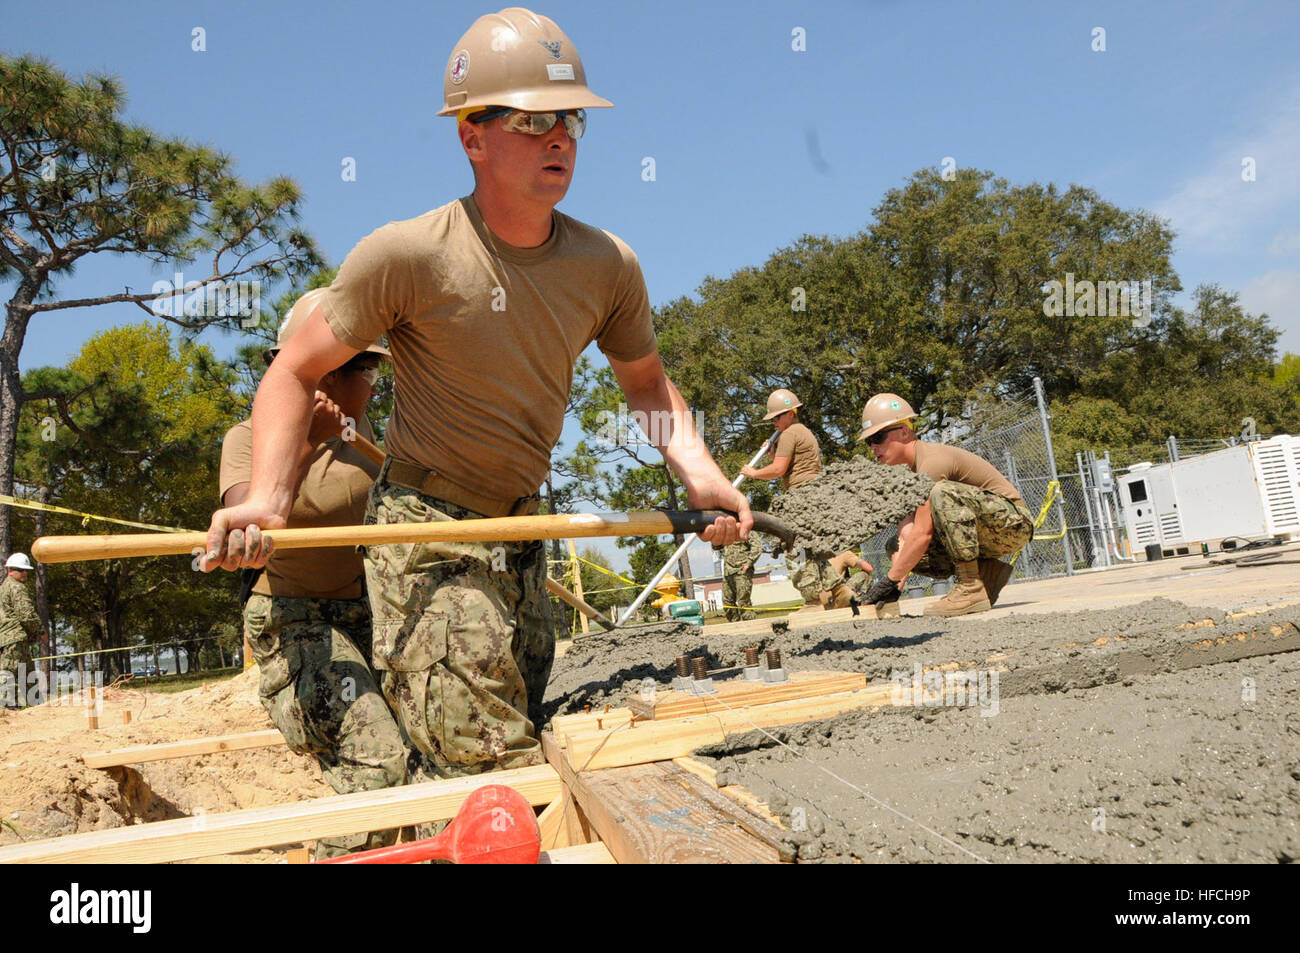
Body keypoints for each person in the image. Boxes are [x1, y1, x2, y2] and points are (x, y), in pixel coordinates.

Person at [203, 8, 750, 784]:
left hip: (523, 531)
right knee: (497, 762)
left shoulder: (607, 265)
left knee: (502, 730)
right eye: (532, 120)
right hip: (427, 538)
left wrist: (702, 475)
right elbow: (293, 367)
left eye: (569, 119)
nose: (559, 135)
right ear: (472, 134)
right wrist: (265, 499)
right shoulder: (409, 255)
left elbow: (646, 381)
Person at [218, 289, 408, 858]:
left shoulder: (371, 440)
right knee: (378, 755)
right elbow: (249, 530)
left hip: (368, 615)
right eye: (367, 371)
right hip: (294, 619)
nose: (374, 385)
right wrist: (306, 444)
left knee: (430, 739)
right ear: (322, 374)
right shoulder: (250, 439)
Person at [857, 393, 1033, 617]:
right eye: (869, 441)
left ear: (904, 431)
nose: (873, 447)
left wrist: (889, 580)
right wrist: (893, 587)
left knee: (941, 493)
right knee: (894, 546)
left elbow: (922, 534)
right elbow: (907, 537)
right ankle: (984, 574)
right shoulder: (909, 475)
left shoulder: (932, 462)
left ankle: (970, 587)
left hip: (1014, 524)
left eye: (879, 437)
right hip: (987, 530)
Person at [740, 388, 839, 604]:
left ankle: (812, 601)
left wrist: (753, 472)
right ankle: (840, 592)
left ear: (791, 413)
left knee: (797, 550)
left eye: (777, 416)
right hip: (813, 496)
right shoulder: (803, 432)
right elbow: (787, 467)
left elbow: (777, 470)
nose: (774, 421)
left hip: (800, 499)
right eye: (772, 418)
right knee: (814, 548)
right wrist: (773, 454)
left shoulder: (790, 433)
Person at [0, 553, 44, 708]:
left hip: (11, 638)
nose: (25, 573)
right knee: (9, 674)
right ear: (10, 570)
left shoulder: (4, 587)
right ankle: (7, 709)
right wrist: (40, 632)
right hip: (14, 638)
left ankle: (37, 707)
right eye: (21, 569)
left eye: (26, 570)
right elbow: (26, 614)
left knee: (27, 674)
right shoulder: (16, 587)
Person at [714, 533, 764, 621]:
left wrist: (749, 563)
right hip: (728, 572)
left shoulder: (746, 531)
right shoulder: (726, 531)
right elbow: (716, 547)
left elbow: (757, 547)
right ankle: (735, 625)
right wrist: (714, 537)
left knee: (743, 601)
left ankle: (750, 625)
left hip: (741, 571)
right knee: (727, 602)